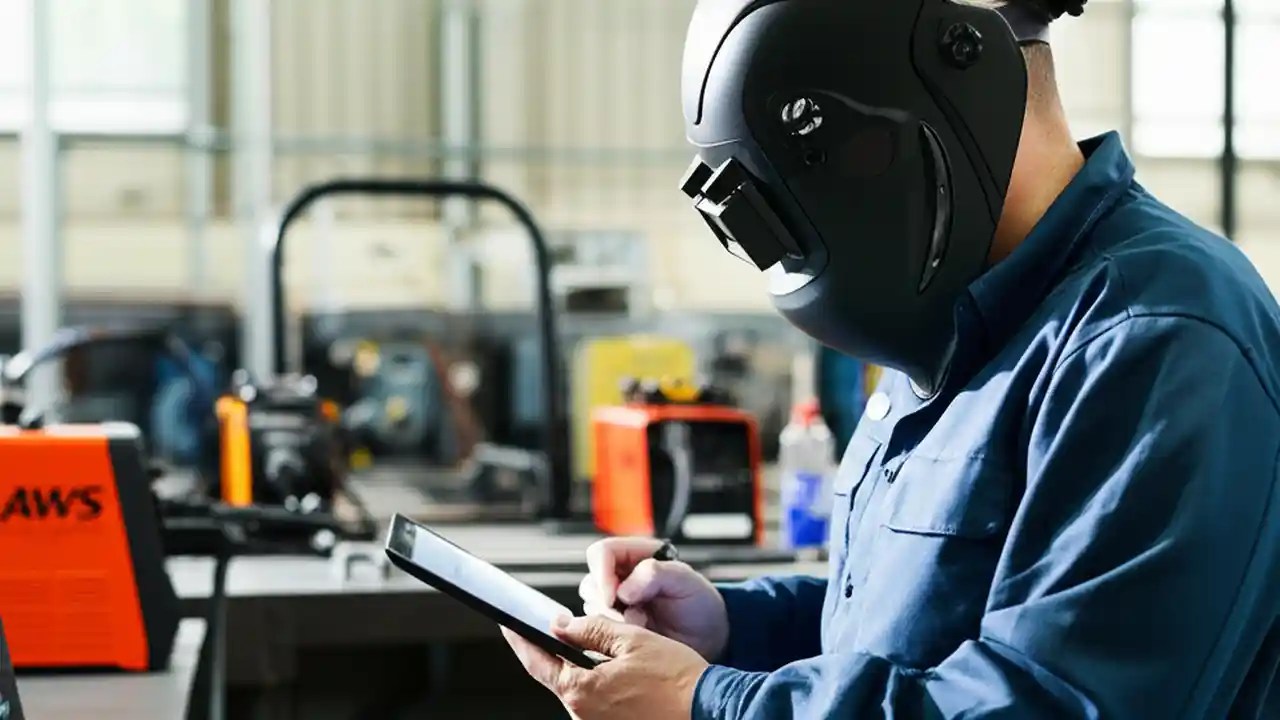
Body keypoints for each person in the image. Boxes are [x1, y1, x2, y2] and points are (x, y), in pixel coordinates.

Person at [503, 0, 1280, 717]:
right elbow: (903, 624)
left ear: (946, 81)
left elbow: (1054, 700)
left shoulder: (1155, 334)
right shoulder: (951, 322)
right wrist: (734, 626)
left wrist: (712, 704)